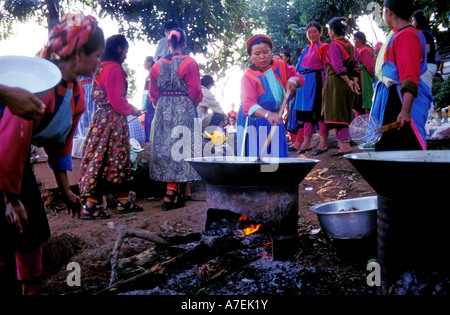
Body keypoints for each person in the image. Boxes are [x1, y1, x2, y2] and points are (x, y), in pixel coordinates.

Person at [0, 13, 104, 295]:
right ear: (80, 52)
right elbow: (12, 136)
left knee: (33, 231)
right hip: (4, 158)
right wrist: (9, 198)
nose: (99, 62)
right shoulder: (38, 83)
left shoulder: (76, 94)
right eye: (97, 55)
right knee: (13, 229)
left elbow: (60, 146)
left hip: (15, 162)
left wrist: (66, 191)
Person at [78, 34, 144, 218]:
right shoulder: (115, 69)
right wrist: (134, 110)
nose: (126, 56)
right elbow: (116, 100)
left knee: (104, 158)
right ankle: (90, 207)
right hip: (113, 121)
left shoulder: (100, 67)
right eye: (125, 52)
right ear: (118, 49)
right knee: (111, 160)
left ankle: (123, 202)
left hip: (102, 119)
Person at [149, 28, 203, 211]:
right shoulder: (190, 63)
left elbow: (153, 92)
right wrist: (189, 105)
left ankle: (171, 192)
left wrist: (161, 103)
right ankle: (171, 193)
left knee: (166, 147)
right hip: (183, 105)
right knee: (180, 147)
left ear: (168, 43)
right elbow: (195, 90)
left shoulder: (157, 65)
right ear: (184, 43)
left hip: (163, 107)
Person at [370, 0, 433, 151]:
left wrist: (405, 111)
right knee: (390, 146)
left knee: (401, 146)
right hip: (393, 98)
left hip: (400, 101)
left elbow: (410, 76)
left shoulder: (407, 36)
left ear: (388, 12)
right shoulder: (399, 35)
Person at [237, 34, 304, 158]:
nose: (262, 56)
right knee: (259, 155)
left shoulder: (281, 65)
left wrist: (294, 80)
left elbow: (298, 77)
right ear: (251, 56)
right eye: (257, 54)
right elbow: (248, 104)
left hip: (275, 116)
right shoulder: (248, 76)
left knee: (276, 155)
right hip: (256, 119)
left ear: (271, 52)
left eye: (266, 52)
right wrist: (267, 115)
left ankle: (275, 176)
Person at [322, 17, 361, 156]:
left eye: (329, 30)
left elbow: (338, 68)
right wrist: (354, 83)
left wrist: (348, 82)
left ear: (332, 31)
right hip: (348, 82)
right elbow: (356, 68)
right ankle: (341, 142)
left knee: (337, 112)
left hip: (337, 82)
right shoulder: (352, 47)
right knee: (343, 110)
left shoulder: (334, 45)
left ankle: (345, 145)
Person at [294, 21, 330, 155]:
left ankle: (323, 142)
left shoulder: (324, 46)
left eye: (314, 31)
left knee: (319, 112)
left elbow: (326, 67)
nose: (312, 34)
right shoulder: (305, 49)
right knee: (305, 114)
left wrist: (326, 85)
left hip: (316, 80)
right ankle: (306, 142)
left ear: (320, 32)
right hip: (304, 83)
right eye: (309, 32)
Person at [411, 10, 437, 90]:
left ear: (418, 21)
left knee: (425, 92)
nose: (412, 23)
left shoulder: (424, 33)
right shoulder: (426, 32)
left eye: (413, 20)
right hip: (428, 65)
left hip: (427, 66)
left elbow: (427, 49)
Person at [353, 31, 376, 116]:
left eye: (355, 39)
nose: (354, 41)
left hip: (365, 77)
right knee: (360, 99)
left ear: (361, 40)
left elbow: (369, 66)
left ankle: (368, 119)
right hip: (360, 76)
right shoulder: (358, 50)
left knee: (365, 97)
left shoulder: (365, 50)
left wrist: (373, 76)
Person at [143, 56, 156, 142]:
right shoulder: (149, 75)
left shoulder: (153, 75)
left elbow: (151, 92)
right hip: (148, 108)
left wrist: (148, 107)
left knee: (151, 128)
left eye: (145, 62)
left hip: (151, 108)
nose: (143, 64)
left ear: (150, 62)